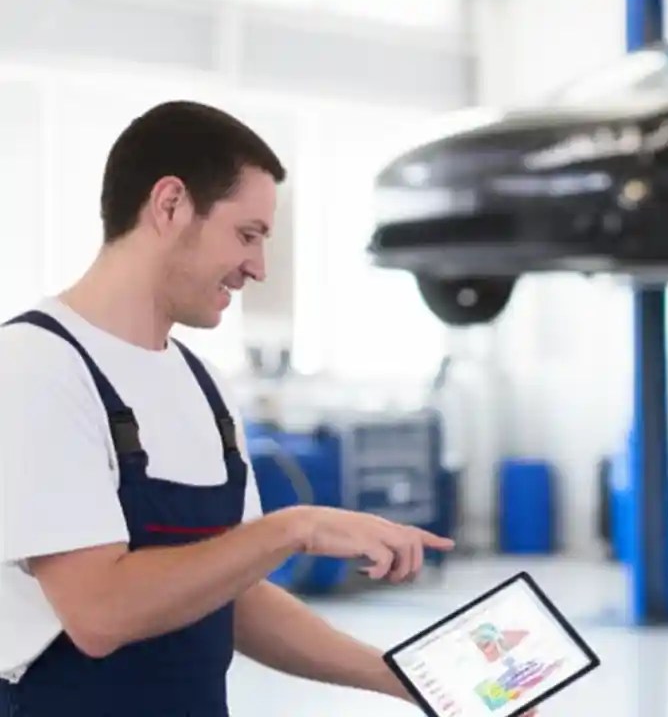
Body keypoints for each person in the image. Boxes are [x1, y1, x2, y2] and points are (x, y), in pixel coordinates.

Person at [0, 101, 452, 715]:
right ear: (170, 205)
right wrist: (295, 528)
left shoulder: (204, 386)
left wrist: (414, 679)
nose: (258, 269)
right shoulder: (36, 366)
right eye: (247, 235)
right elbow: (99, 614)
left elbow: (231, 596)